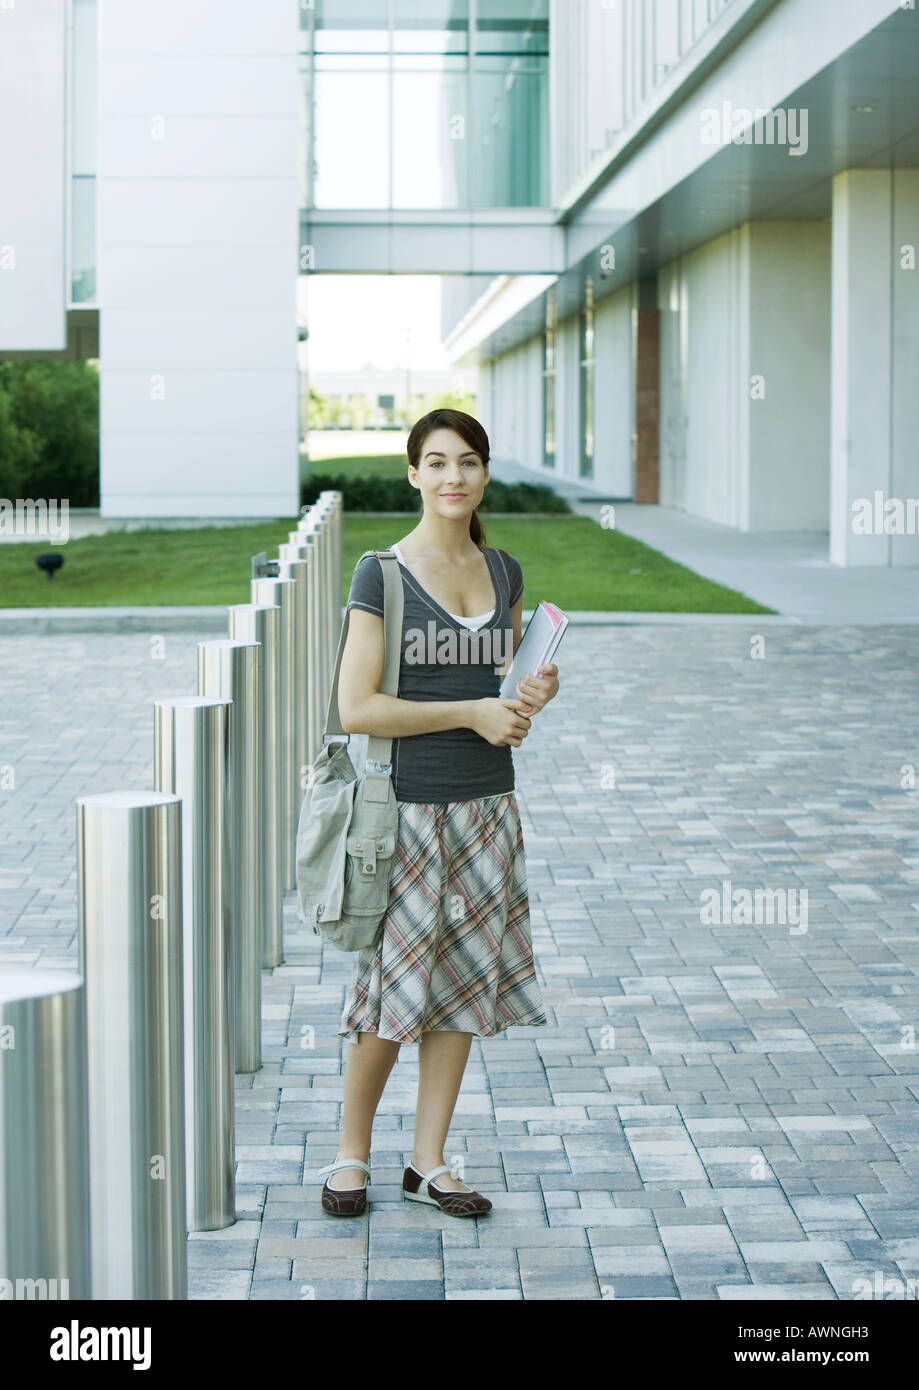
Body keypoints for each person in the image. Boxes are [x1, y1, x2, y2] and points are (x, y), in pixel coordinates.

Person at [315, 408, 560, 1218]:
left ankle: (427, 1164)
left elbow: (506, 693)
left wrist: (529, 696)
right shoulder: (380, 575)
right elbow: (357, 707)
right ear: (413, 474)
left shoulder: (504, 569)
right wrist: (470, 713)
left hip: (488, 809)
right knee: (392, 991)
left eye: (468, 462)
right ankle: (351, 1155)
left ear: (484, 473)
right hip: (407, 814)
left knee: (457, 988)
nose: (453, 476)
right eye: (436, 462)